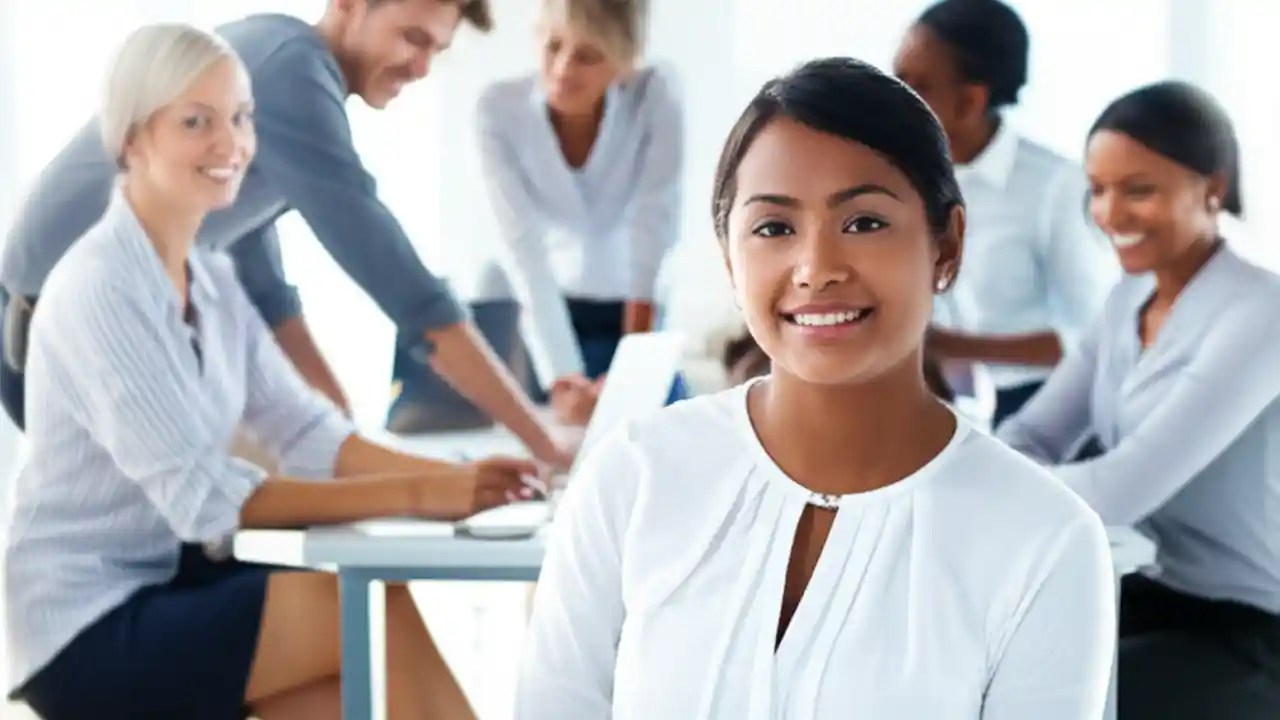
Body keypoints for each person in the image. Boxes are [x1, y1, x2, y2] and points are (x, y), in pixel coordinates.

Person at [515, 57, 1115, 719]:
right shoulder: (634, 478)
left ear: (946, 246)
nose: (817, 268)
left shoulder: (1046, 539)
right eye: (774, 228)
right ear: (729, 257)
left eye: (863, 223)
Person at [3, 24, 539, 720]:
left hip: (169, 579)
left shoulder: (213, 280)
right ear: (131, 139)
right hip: (83, 623)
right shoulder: (99, 286)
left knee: (350, 682)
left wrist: (460, 481)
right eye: (197, 123)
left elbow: (308, 431)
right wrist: (421, 492)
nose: (231, 146)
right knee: (367, 611)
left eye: (241, 119)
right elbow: (207, 498)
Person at [0, 0, 574, 469]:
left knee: (324, 482)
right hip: (54, 333)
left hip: (76, 327)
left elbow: (264, 283)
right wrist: (545, 444)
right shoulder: (289, 75)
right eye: (412, 38)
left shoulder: (269, 61)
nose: (422, 66)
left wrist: (336, 417)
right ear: (349, 6)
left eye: (437, 50)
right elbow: (406, 289)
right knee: (286, 510)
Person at [998, 81, 1280, 719]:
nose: (1109, 214)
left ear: (1213, 187)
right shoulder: (1127, 301)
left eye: (1138, 190)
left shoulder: (1262, 314)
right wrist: (997, 478)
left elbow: (1120, 490)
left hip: (1254, 625)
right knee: (994, 669)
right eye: (1097, 189)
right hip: (1158, 588)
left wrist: (991, 492)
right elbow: (1033, 432)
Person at [434, 0, 682, 427]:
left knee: (660, 420)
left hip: (630, 304)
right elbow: (523, 248)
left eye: (588, 56)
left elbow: (653, 224)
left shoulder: (654, 95)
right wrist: (564, 376)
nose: (564, 68)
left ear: (623, 60)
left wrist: (630, 374)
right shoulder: (498, 110)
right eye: (553, 47)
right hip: (542, 308)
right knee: (548, 425)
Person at [892, 0, 1118, 426]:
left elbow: (1091, 340)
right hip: (939, 401)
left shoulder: (1055, 186)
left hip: (1047, 410)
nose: (894, 96)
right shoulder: (900, 180)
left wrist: (954, 346)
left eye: (915, 84)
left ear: (970, 101)